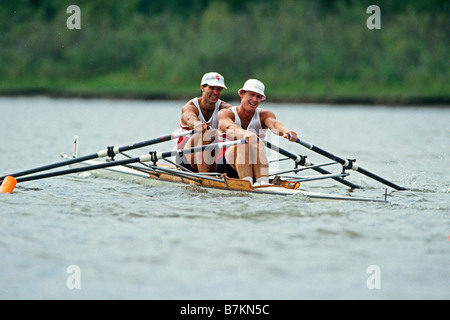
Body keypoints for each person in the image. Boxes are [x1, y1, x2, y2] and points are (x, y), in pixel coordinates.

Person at [217, 79, 298, 185]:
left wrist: (285, 131)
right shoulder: (226, 113)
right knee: (244, 142)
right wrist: (245, 133)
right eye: (251, 95)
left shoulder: (264, 115)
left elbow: (274, 124)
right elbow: (229, 127)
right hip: (226, 166)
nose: (254, 100)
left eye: (258, 97)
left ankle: (263, 184)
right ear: (242, 94)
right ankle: (248, 183)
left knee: (256, 141)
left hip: (252, 167)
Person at [176, 72, 232, 172]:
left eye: (219, 89)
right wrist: (197, 124)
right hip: (186, 159)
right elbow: (190, 119)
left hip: (212, 159)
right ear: (202, 88)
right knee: (205, 132)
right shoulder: (190, 107)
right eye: (212, 88)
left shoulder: (225, 108)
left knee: (217, 135)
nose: (215, 92)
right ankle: (205, 177)